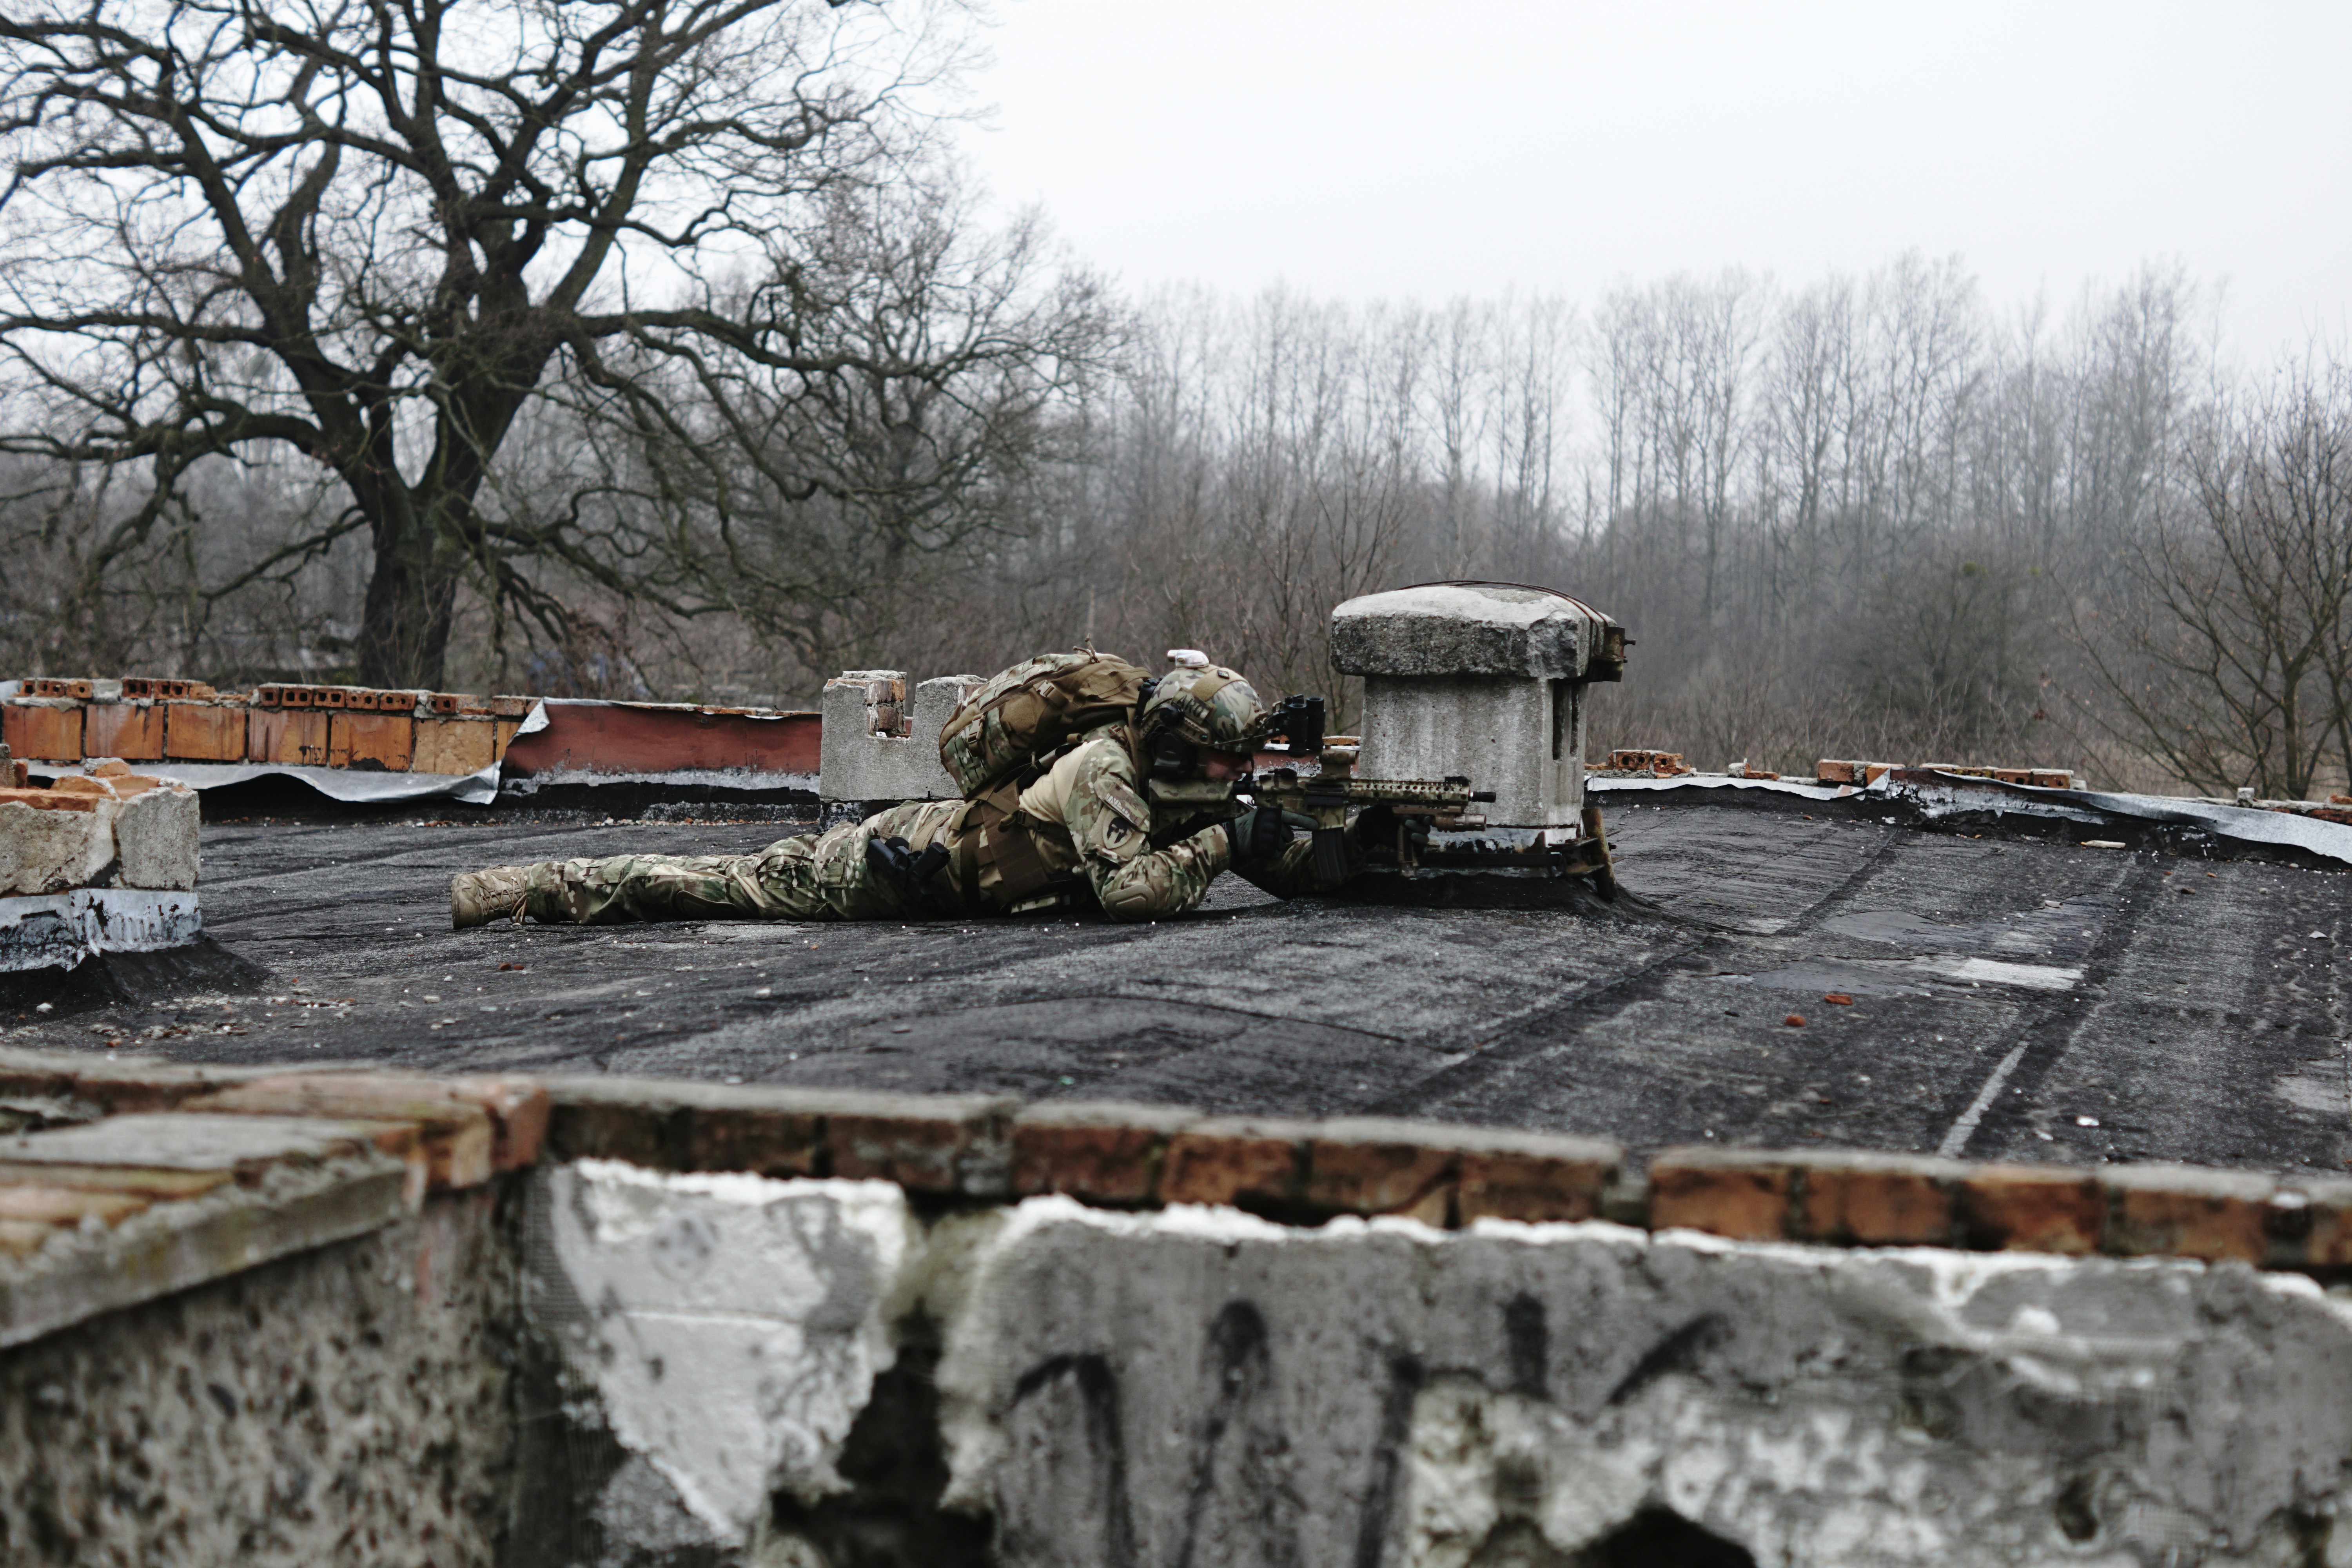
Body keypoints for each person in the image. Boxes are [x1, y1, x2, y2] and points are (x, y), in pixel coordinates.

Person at [449, 658, 1394, 928]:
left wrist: (1335, 857)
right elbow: (1129, 893)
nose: (1239, 777)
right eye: (1230, 761)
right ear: (1188, 747)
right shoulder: (1110, 769)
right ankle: (522, 888)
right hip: (901, 865)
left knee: (725, 876)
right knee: (709, 881)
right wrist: (1232, 841)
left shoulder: (1169, 776)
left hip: (946, 852)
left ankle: (529, 886)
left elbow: (1248, 843)